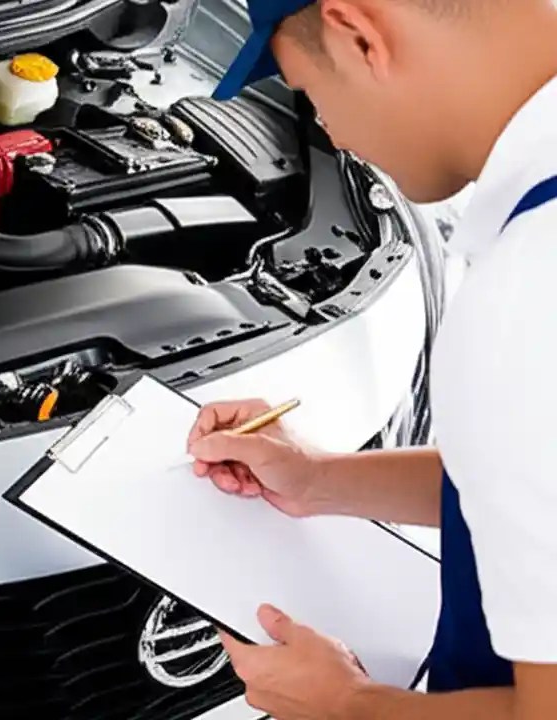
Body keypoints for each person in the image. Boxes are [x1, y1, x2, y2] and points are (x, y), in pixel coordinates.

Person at [187, 0, 557, 717]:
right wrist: (319, 480)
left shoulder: (526, 300)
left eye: (310, 96)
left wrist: (348, 704)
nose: (333, 135)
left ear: (360, 35)